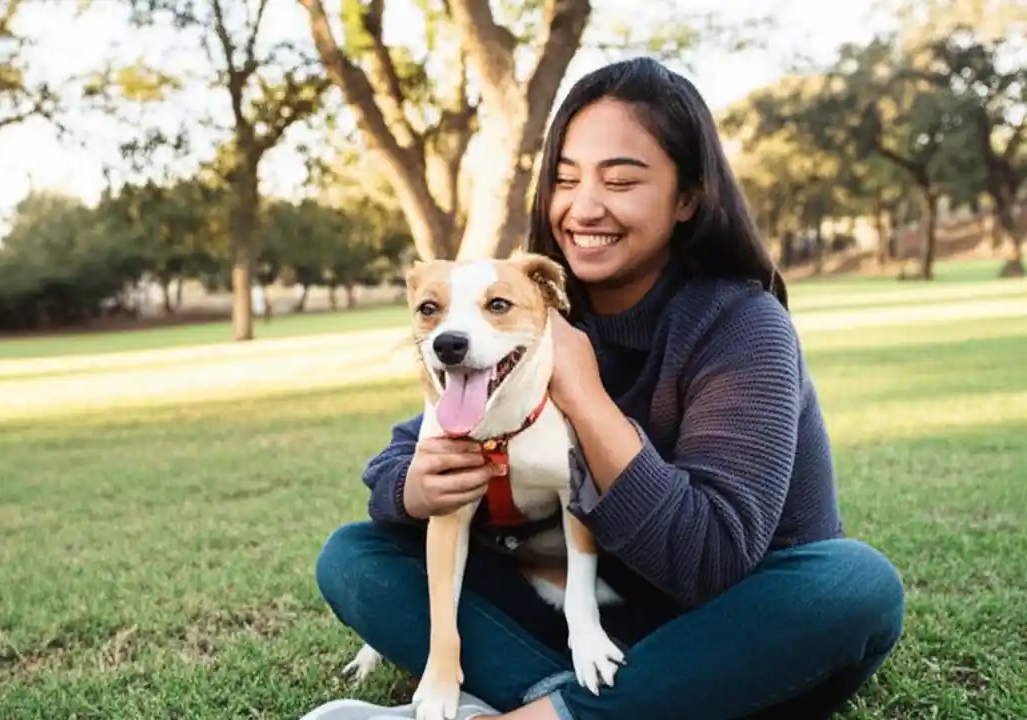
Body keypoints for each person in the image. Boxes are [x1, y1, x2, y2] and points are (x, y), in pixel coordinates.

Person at [302, 57, 904, 720]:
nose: (584, 207)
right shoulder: (529, 312)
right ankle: (583, 705)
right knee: (357, 557)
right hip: (585, 627)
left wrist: (585, 395)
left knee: (856, 583)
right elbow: (411, 448)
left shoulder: (742, 325)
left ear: (687, 197)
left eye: (619, 180)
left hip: (737, 632)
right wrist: (412, 486)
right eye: (564, 180)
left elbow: (710, 562)